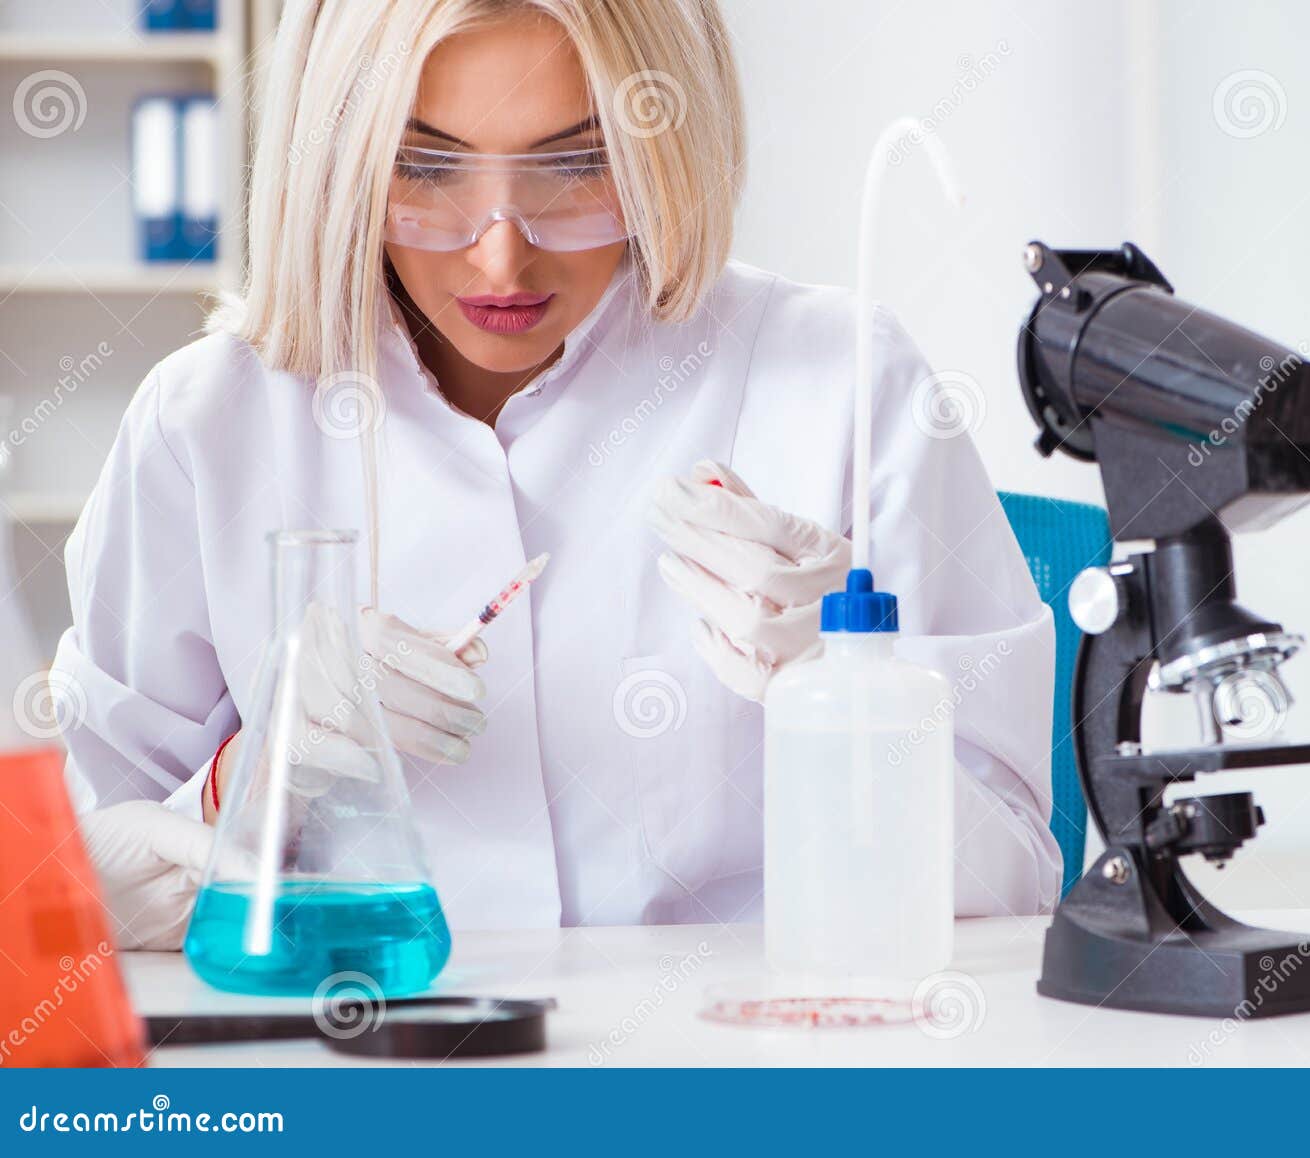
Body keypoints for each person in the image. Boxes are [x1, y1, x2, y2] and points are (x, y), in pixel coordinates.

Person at [56, 0, 1059, 948]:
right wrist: (255, 774)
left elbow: (1017, 875)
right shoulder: (207, 423)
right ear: (340, 159)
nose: (501, 257)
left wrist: (839, 695)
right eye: (425, 168)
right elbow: (82, 897)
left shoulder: (840, 379)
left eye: (576, 164)